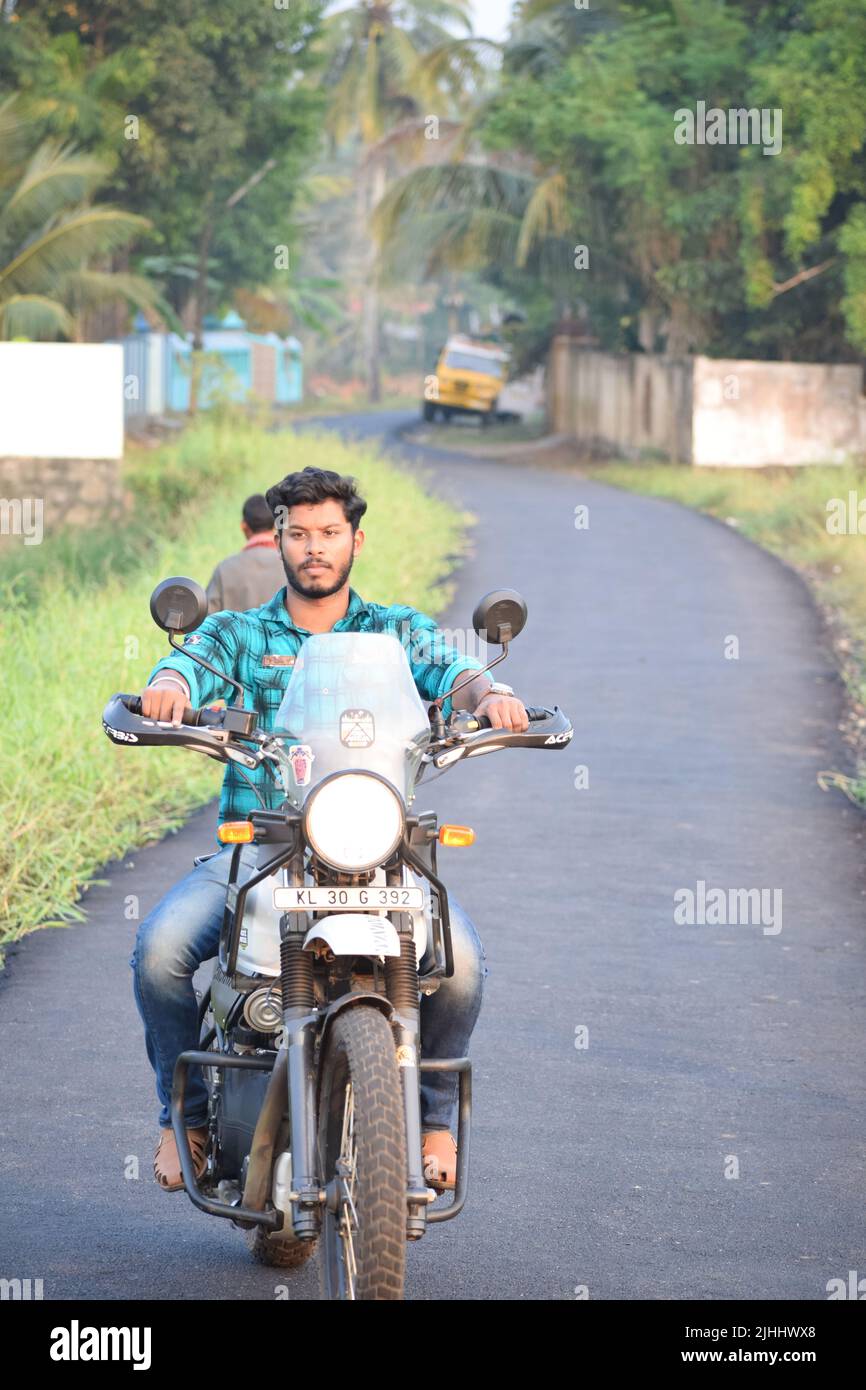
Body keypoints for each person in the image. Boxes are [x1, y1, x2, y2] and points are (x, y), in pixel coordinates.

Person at [130, 465, 529, 1194]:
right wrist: (168, 691)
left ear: (355, 540)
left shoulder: (396, 629)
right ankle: (179, 1114)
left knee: (463, 969)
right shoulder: (240, 632)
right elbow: (187, 667)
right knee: (158, 954)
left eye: (330, 533)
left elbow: (454, 672)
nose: (315, 547)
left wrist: (492, 694)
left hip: (382, 856)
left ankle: (433, 1118)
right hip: (259, 850)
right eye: (301, 533)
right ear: (277, 539)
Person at [204, 494, 286, 614]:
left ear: (244, 526)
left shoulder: (225, 569)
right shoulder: (291, 565)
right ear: (275, 524)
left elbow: (207, 621)